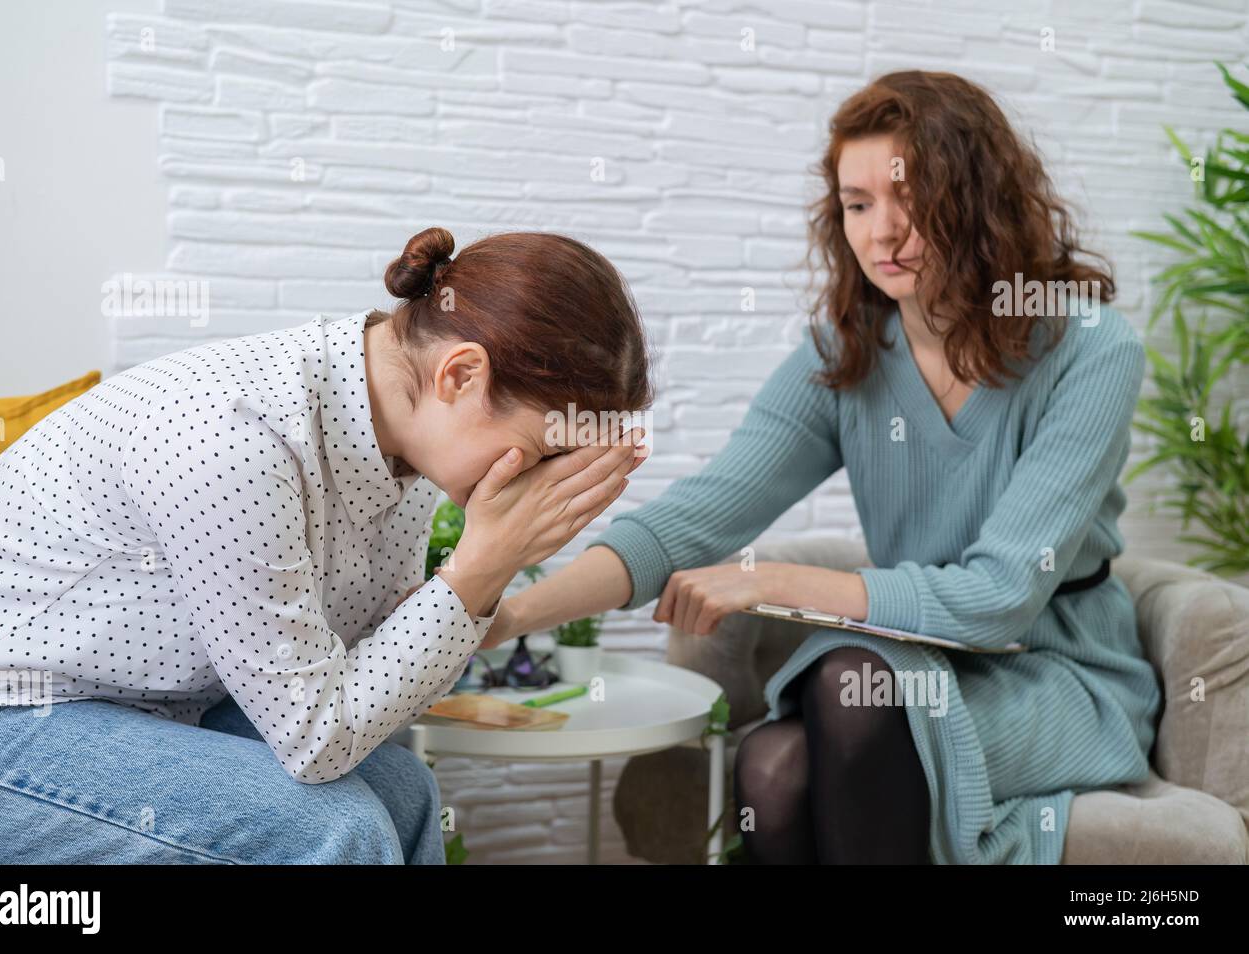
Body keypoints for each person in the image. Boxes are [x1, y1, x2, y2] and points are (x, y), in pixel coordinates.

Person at [488, 71, 1162, 865]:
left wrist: (770, 582)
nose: (885, 233)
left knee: (844, 698)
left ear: (978, 198)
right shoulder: (845, 357)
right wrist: (498, 619)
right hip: (908, 662)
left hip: (1055, 674)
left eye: (913, 195)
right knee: (776, 769)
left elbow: (1001, 597)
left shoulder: (1087, 348)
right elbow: (694, 519)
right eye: (857, 203)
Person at [0, 227, 651, 864]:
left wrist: (473, 586)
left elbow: (353, 676)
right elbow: (317, 739)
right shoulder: (234, 435)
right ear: (460, 376)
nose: (538, 492)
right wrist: (477, 569)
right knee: (333, 831)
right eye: (539, 456)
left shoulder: (401, 446)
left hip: (143, 709)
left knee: (407, 798)